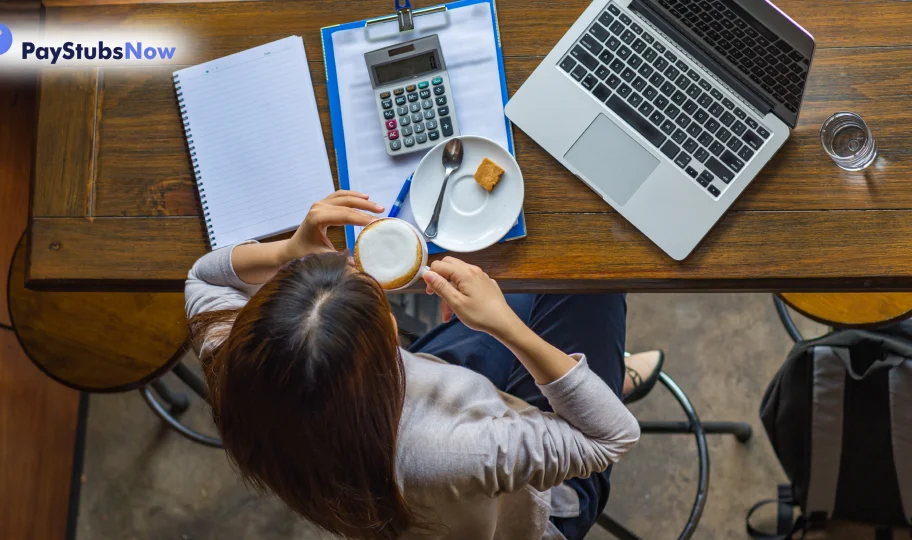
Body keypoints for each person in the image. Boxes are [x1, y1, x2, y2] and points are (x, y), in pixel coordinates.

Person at [186, 191, 643, 540]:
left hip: (445, 392)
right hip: (542, 504)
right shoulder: (448, 451)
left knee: (535, 292)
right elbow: (611, 436)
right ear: (375, 357)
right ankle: (601, 379)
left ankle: (586, 372)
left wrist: (286, 251)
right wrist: (505, 326)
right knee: (588, 281)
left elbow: (201, 276)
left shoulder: (239, 361)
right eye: (382, 311)